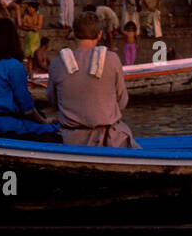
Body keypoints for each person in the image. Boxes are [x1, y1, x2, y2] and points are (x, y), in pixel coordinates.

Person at [47, 11, 138, 148]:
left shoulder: (56, 63)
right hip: (110, 140)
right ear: (100, 34)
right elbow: (122, 102)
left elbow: (53, 103)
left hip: (70, 139)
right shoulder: (112, 59)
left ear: (74, 34)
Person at [0, 18, 59, 140]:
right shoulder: (13, 66)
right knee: (55, 130)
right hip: (10, 125)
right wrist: (44, 121)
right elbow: (26, 107)